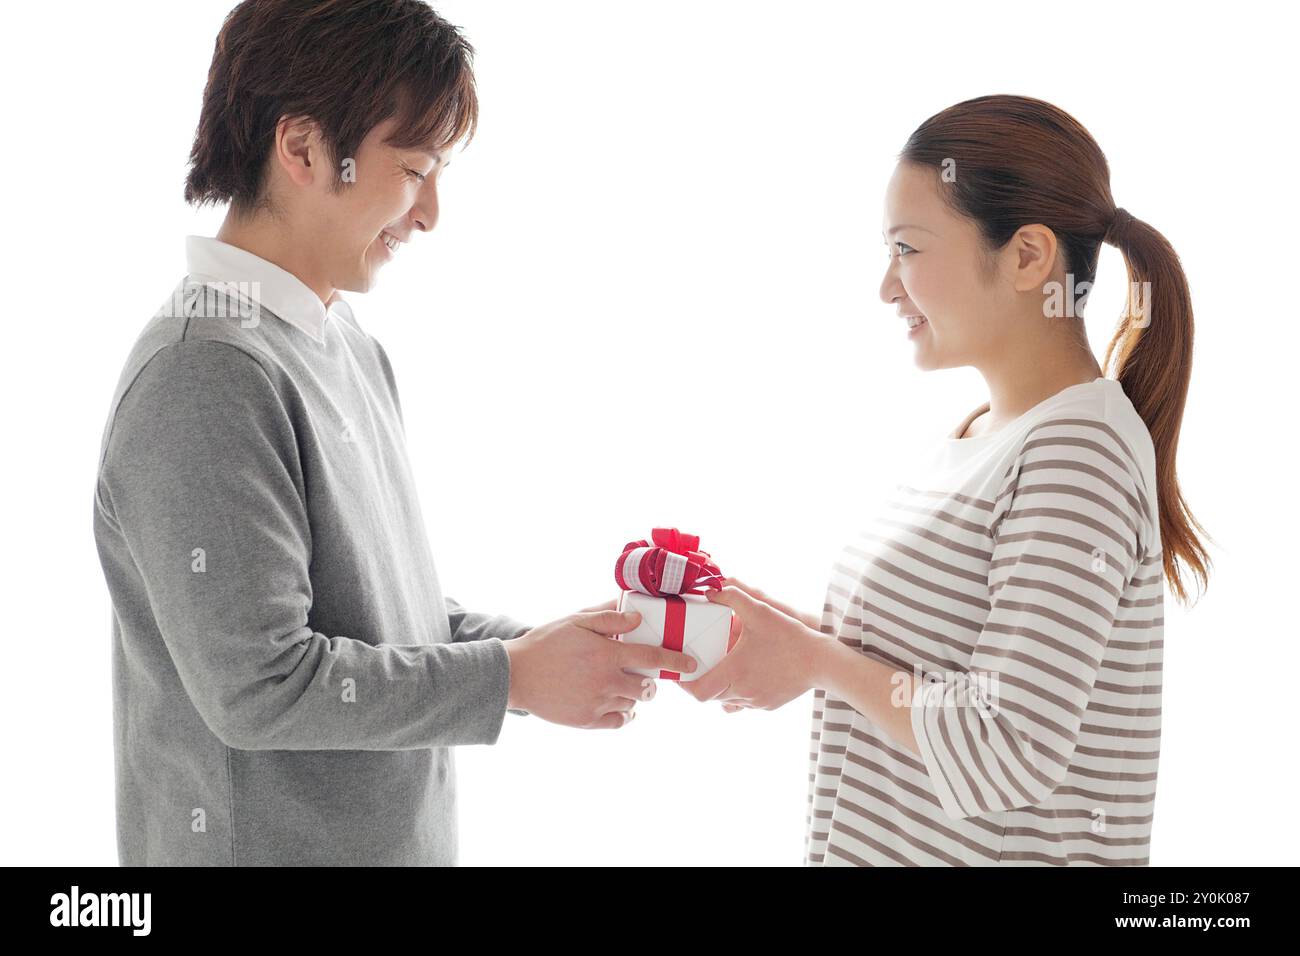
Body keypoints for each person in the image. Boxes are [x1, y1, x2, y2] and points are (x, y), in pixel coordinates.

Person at [91, 0, 695, 866]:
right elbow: (260, 686)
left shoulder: (341, 344)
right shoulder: (205, 373)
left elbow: (378, 620)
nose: (431, 213)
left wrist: (536, 651)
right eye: (414, 169)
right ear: (301, 149)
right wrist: (514, 676)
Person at [681, 95, 1212, 866]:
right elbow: (934, 676)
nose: (887, 287)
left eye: (907, 248)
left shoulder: (1078, 453)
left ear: (1029, 257)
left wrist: (815, 659)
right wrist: (797, 640)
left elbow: (1009, 744)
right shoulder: (983, 436)